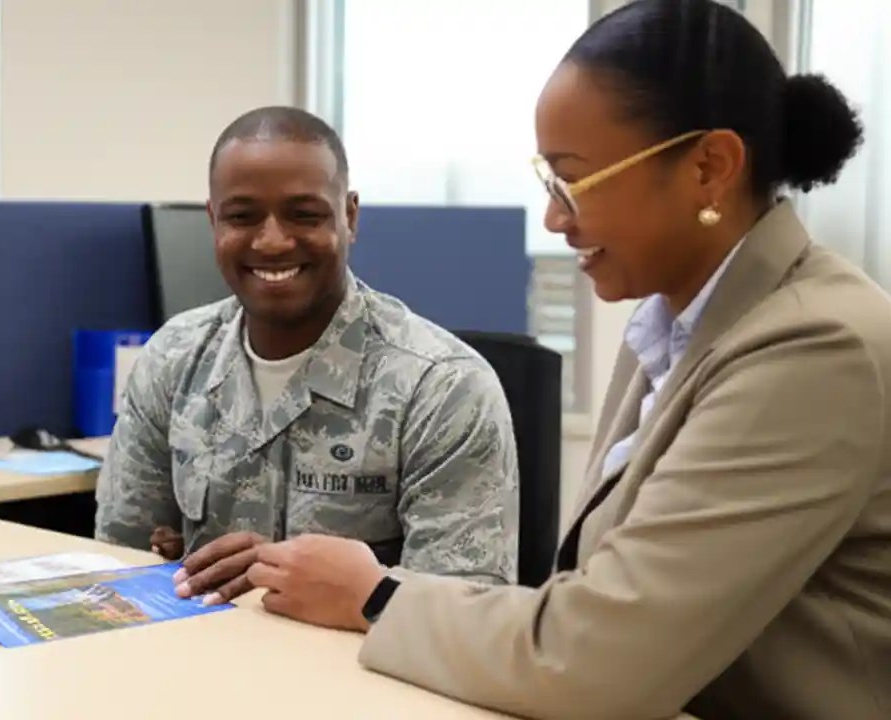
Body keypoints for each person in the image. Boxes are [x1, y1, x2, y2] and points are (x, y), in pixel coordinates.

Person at [243, 2, 891, 719]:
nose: (554, 216)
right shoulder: (680, 325)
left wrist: (375, 595)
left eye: (573, 179)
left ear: (709, 167)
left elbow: (601, 660)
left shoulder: (814, 347)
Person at [93, 106, 519, 605]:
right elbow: (118, 562)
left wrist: (315, 581)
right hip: (198, 667)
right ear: (213, 220)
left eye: (305, 215)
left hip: (359, 677)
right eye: (241, 216)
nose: (272, 241)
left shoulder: (443, 388)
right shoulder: (172, 358)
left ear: (350, 216)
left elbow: (464, 614)